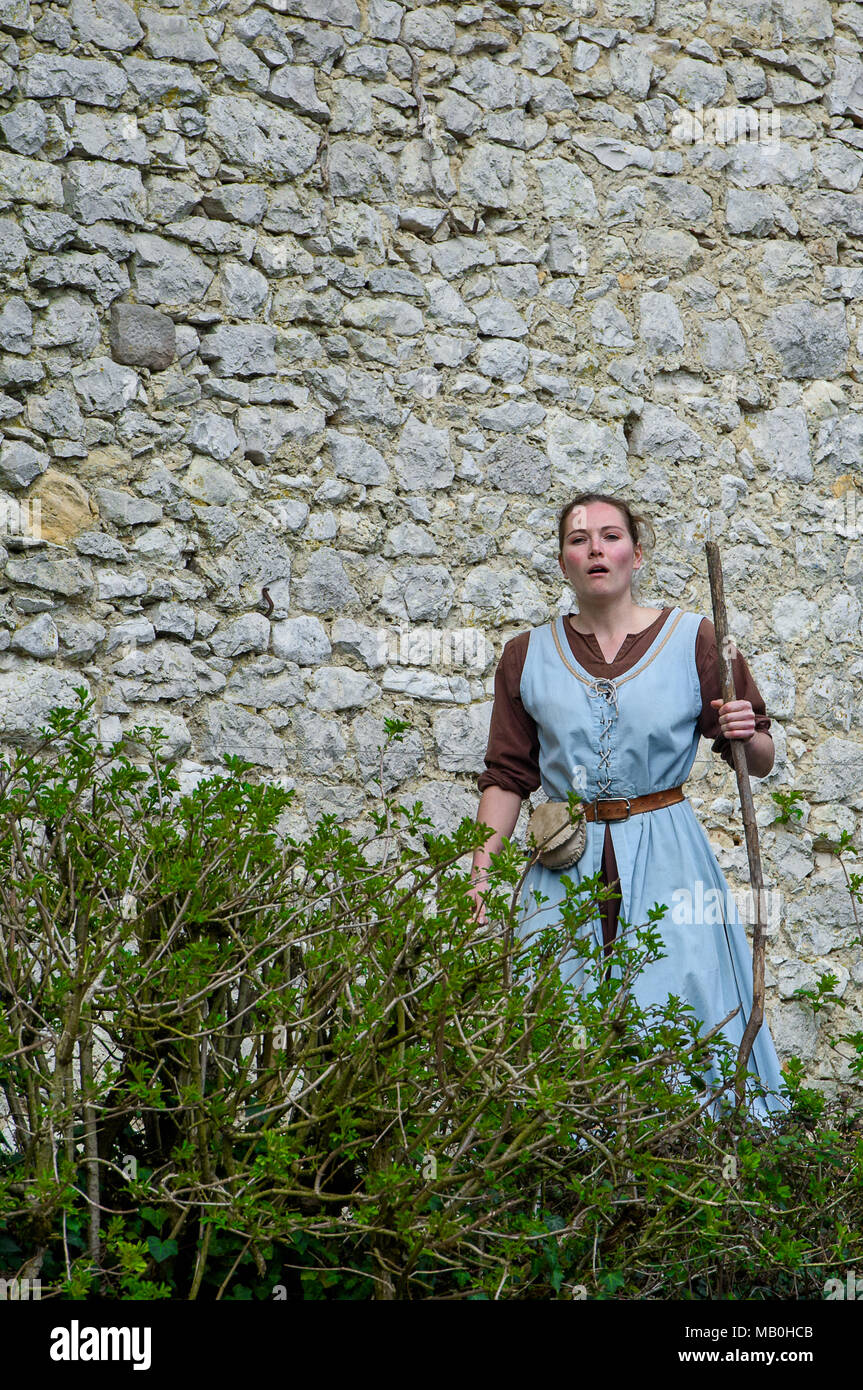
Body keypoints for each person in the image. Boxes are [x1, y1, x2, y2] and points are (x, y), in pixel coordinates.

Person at [469, 492, 788, 1123]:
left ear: (636, 555)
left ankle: (698, 1171)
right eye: (578, 539)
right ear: (562, 561)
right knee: (557, 1013)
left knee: (686, 1002)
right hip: (564, 861)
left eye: (610, 536)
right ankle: (561, 1183)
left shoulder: (697, 639)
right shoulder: (525, 655)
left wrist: (746, 730)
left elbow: (760, 760)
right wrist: (480, 873)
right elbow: (507, 776)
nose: (594, 548)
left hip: (671, 859)